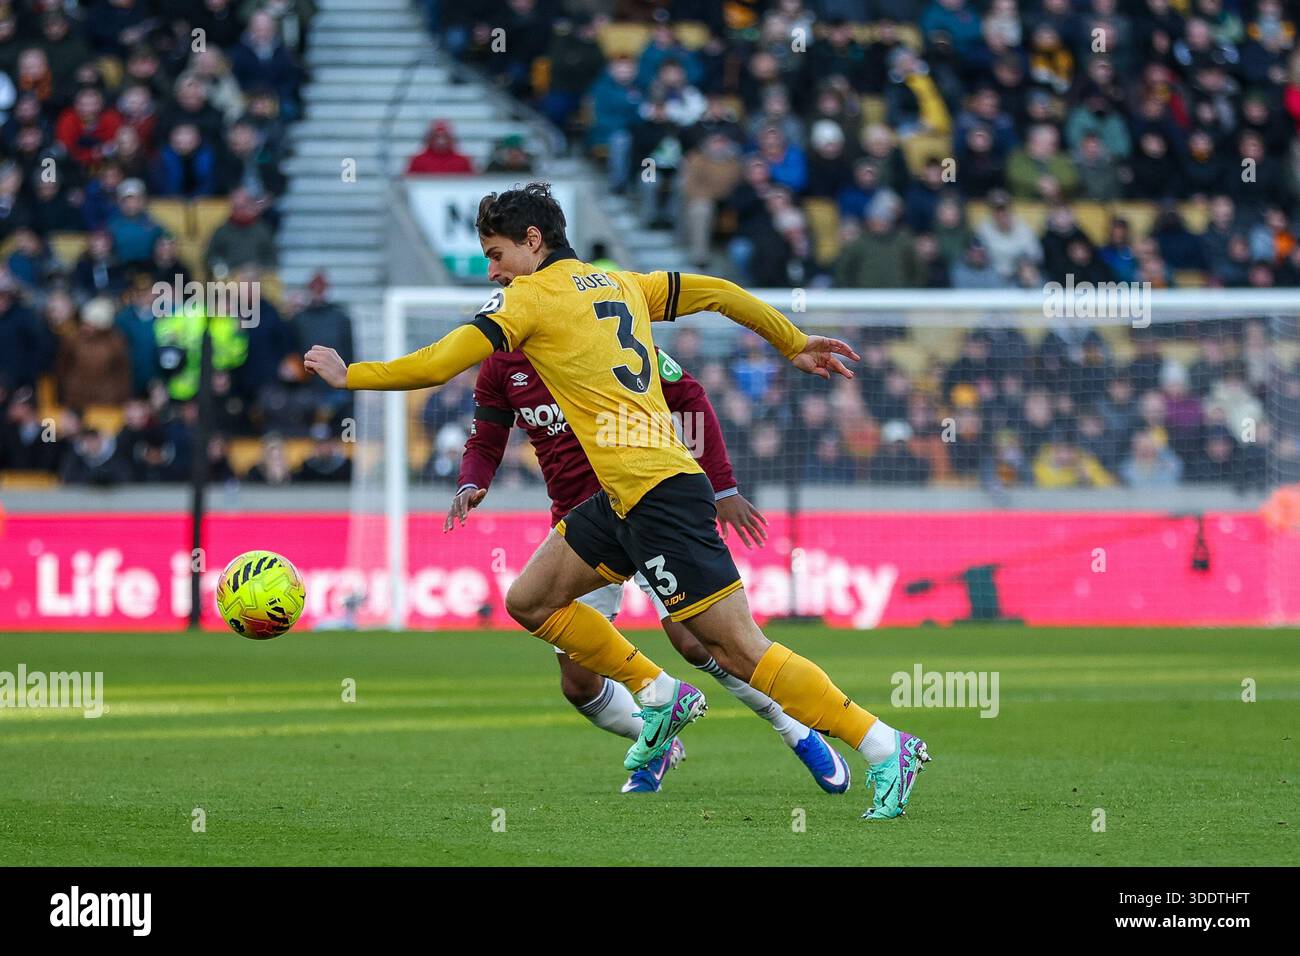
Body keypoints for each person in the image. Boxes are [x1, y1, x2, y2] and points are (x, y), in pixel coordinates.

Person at [305, 182, 930, 820]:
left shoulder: (529, 298)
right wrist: (791, 340)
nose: (492, 271)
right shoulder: (623, 283)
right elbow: (720, 291)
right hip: (620, 498)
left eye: (496, 254)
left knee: (737, 650)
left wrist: (352, 375)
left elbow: (439, 363)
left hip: (659, 493)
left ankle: (884, 745)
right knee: (530, 600)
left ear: (532, 241)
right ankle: (658, 693)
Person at [446, 344, 850, 795]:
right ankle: (656, 734)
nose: (501, 302)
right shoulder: (501, 364)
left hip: (650, 509)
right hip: (579, 530)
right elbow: (485, 438)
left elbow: (688, 396)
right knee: (579, 685)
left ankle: (796, 730)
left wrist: (722, 487)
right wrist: (471, 480)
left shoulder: (602, 331)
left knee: (699, 643)